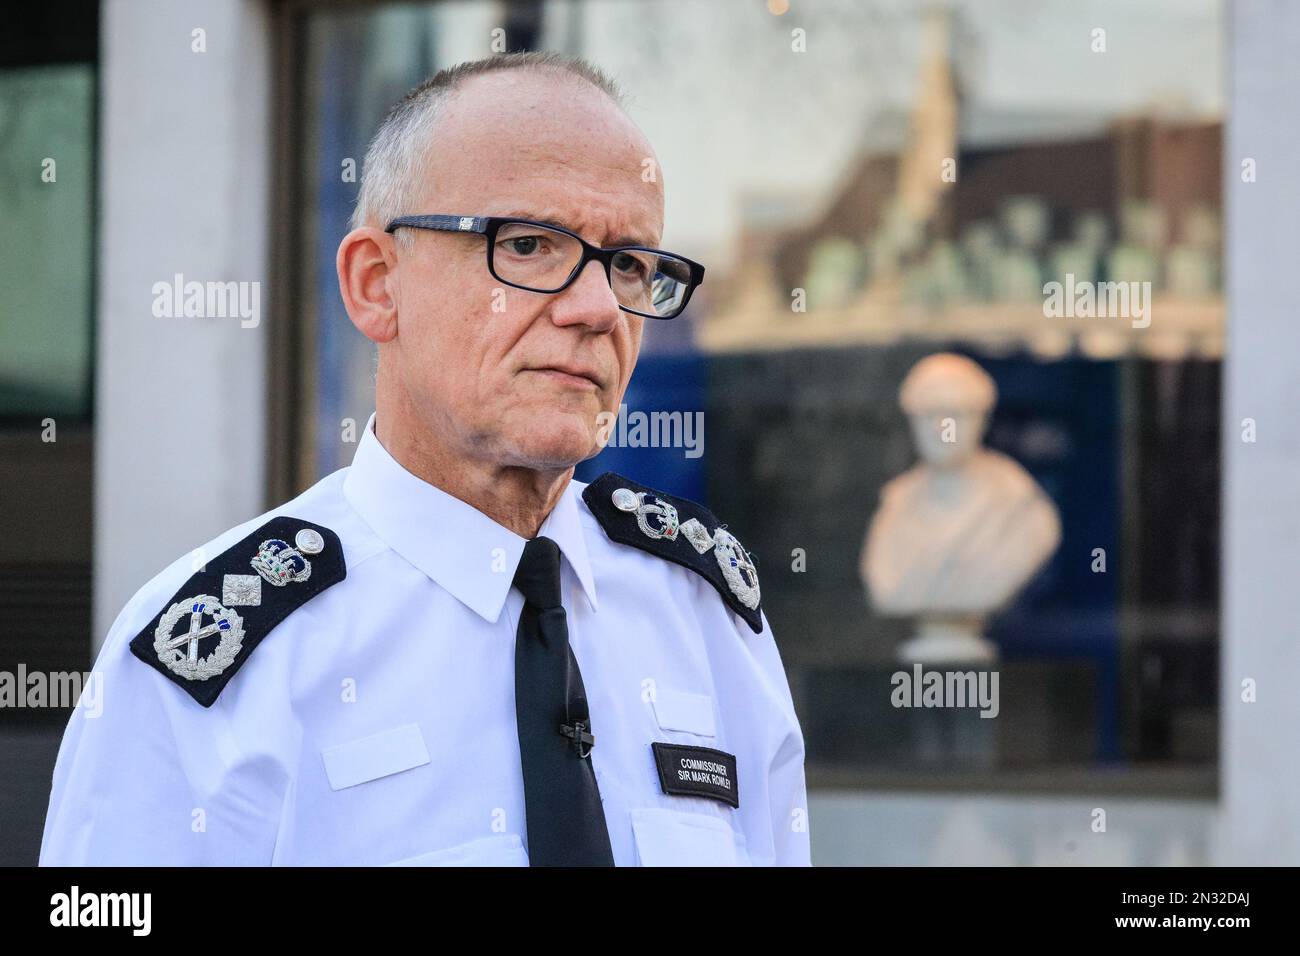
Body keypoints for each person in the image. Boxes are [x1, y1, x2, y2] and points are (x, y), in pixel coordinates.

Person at [39, 52, 810, 866]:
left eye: (629, 263)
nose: (594, 309)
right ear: (377, 284)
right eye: (529, 245)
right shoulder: (221, 656)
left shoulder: (700, 615)